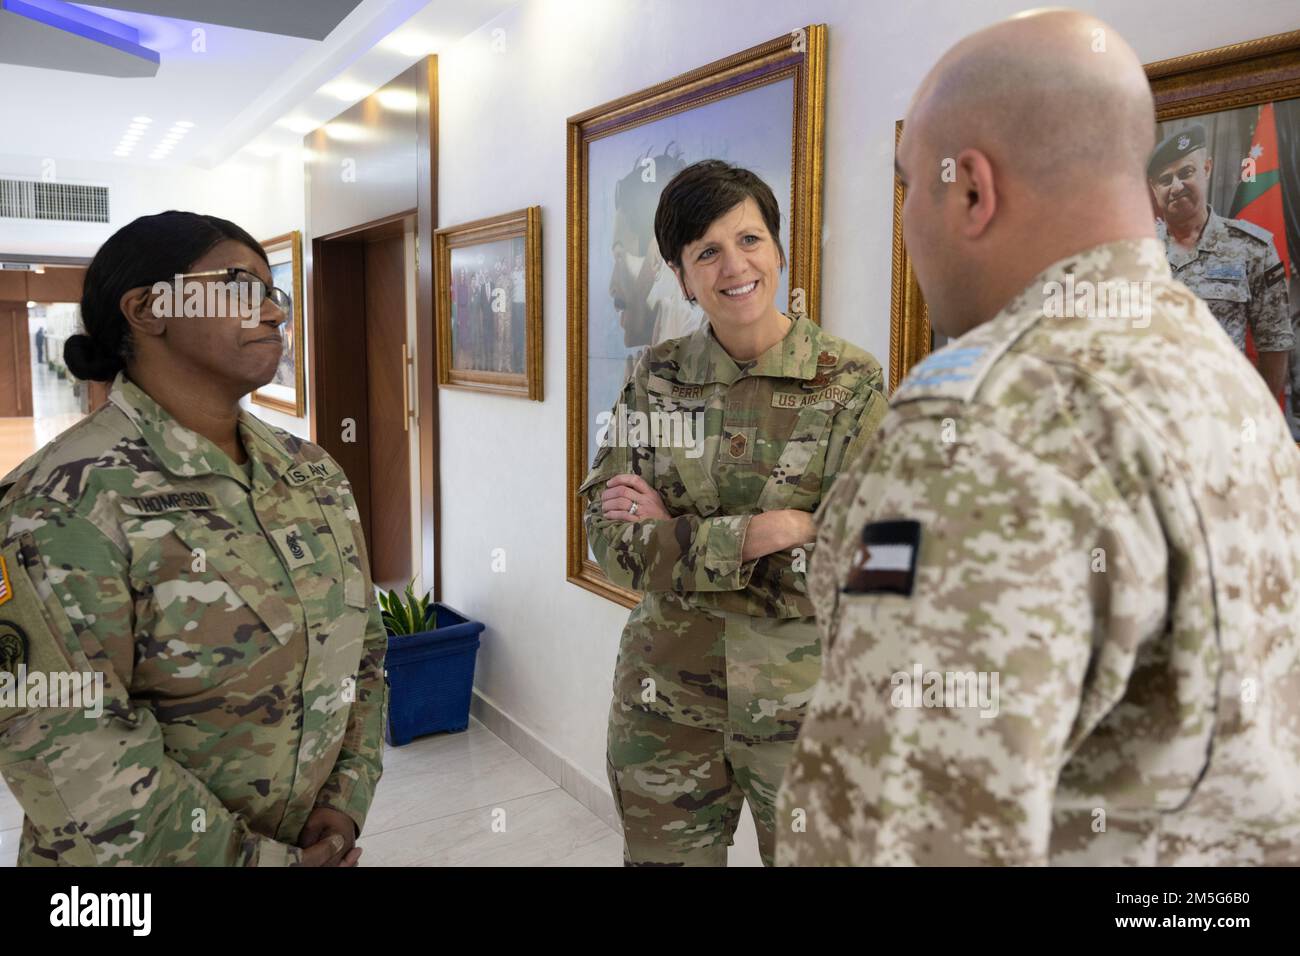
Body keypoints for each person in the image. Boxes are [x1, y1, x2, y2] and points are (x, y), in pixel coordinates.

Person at [777, 9, 1300, 866]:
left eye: (910, 187)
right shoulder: (1219, 371)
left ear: (972, 191)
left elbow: (891, 837)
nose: (906, 221)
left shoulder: (986, 424)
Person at [0, 211, 387, 866]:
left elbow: (366, 649)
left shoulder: (310, 472)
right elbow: (69, 753)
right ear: (149, 309)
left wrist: (346, 798)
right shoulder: (60, 505)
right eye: (239, 286)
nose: (273, 311)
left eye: (273, 291)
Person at [579, 160, 887, 865]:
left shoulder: (850, 383)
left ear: (778, 249)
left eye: (750, 240)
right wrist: (769, 532)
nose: (735, 266)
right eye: (707, 252)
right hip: (666, 707)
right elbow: (609, 540)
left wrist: (675, 536)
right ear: (681, 276)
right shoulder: (654, 379)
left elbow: (873, 561)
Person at [1148, 123, 1293, 397]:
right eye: (1165, 180)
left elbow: (1274, 341)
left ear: (1206, 169)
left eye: (1186, 173)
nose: (1176, 186)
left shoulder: (1251, 247)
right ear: (1154, 189)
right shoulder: (1137, 251)